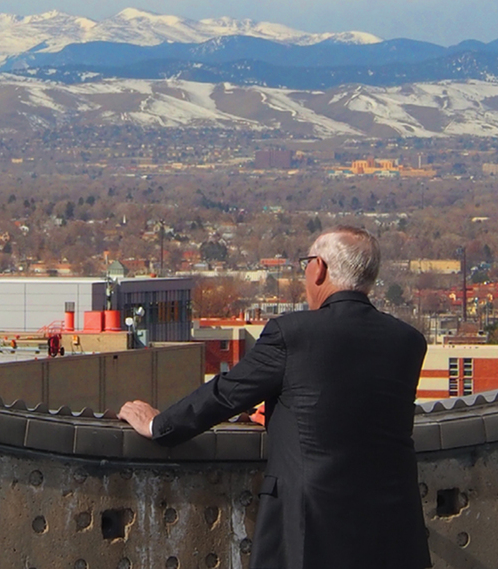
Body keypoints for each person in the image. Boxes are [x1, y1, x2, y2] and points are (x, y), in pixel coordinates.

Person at [117, 226, 429, 569]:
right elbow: (360, 409)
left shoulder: (292, 333)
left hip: (310, 528)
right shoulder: (408, 341)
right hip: (394, 529)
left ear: (320, 268)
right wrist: (284, 417)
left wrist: (158, 424)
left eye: (306, 263)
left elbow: (226, 394)